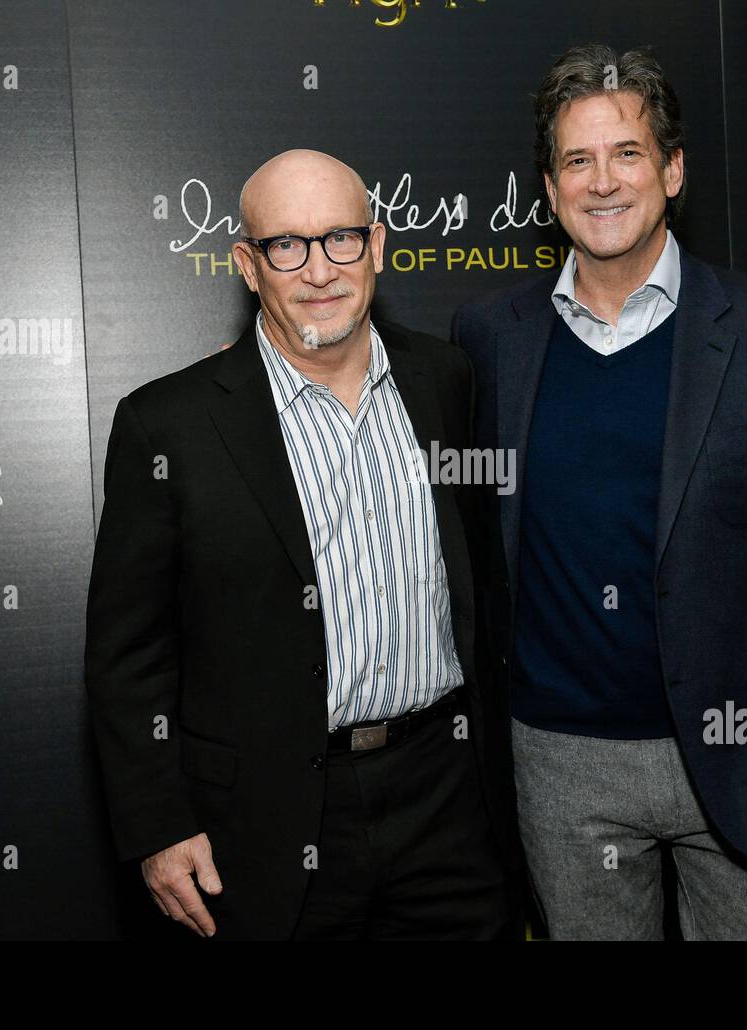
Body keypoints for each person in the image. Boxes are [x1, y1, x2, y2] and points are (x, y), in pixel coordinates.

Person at [452, 45, 747, 940]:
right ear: (549, 186)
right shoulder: (491, 336)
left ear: (673, 170)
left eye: (628, 154)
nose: (602, 182)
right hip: (563, 767)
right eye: (577, 160)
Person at [85, 149, 520, 940]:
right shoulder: (168, 425)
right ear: (248, 266)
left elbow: (482, 581)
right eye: (287, 245)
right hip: (268, 819)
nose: (319, 269)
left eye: (341, 239)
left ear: (379, 246)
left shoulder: (445, 380)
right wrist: (156, 824)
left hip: (447, 798)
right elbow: (128, 656)